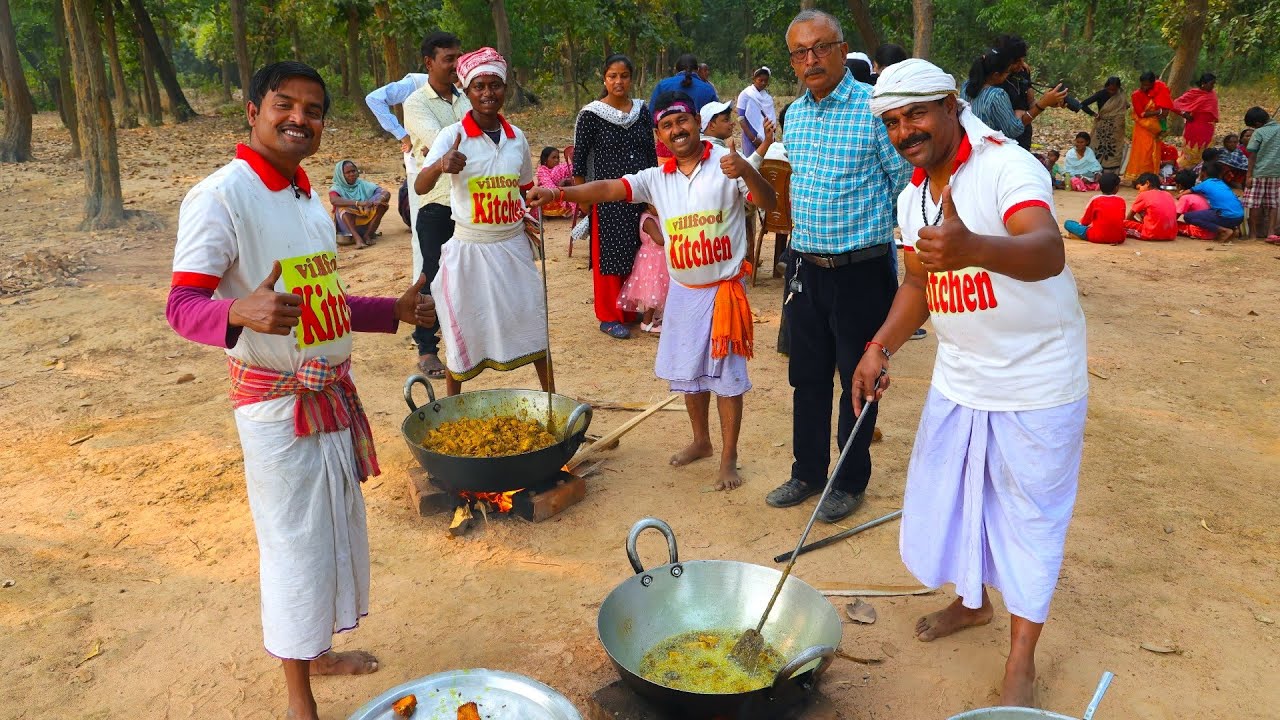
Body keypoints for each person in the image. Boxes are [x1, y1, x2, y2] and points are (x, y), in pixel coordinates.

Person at [167, 61, 436, 720]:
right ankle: (298, 700)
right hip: (275, 406)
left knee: (330, 535)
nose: (299, 119)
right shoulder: (221, 196)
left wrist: (390, 312)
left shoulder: (306, 199)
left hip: (327, 394)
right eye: (284, 105)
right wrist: (235, 313)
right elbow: (181, 306)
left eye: (312, 110)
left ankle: (316, 651)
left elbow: (323, 303)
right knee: (293, 547)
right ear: (252, 110)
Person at [864, 58, 1088, 708]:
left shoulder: (1005, 165)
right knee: (958, 496)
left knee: (1030, 518)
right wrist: (879, 346)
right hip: (961, 377)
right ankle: (972, 601)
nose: (906, 129)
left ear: (949, 104)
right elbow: (918, 283)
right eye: (894, 121)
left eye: (917, 114)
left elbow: (1048, 250)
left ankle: (1022, 658)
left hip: (1037, 380)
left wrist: (976, 249)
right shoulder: (913, 196)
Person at [529, 91, 777, 491]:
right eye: (667, 125)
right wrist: (559, 194)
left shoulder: (728, 165)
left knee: (727, 378)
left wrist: (748, 173)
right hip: (681, 292)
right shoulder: (656, 177)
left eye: (682, 122)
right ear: (659, 133)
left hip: (723, 292)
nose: (677, 131)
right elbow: (608, 189)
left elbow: (770, 200)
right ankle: (701, 441)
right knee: (688, 372)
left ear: (696, 121)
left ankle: (729, 457)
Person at [764, 9, 909, 523]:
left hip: (861, 271)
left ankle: (849, 481)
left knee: (858, 376)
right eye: (800, 52)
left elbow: (904, 182)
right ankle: (807, 472)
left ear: (842, 49)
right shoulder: (795, 116)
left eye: (820, 47)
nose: (811, 59)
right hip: (805, 267)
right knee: (806, 375)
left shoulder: (874, 109)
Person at [414, 47, 552, 395]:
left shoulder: (516, 137)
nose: (488, 93)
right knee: (463, 328)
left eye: (495, 85)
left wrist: (532, 200)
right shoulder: (452, 135)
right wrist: (440, 165)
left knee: (532, 321)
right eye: (479, 86)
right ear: (467, 90)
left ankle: (552, 401)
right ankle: (451, 409)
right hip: (471, 248)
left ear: (505, 88)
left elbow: (523, 186)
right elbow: (419, 185)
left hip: (513, 246)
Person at [574, 54, 659, 339]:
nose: (618, 81)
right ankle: (609, 315)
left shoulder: (641, 111)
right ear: (604, 78)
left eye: (624, 76)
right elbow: (580, 162)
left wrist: (653, 193)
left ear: (631, 78)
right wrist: (585, 204)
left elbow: (650, 151)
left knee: (637, 251)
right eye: (612, 76)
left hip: (638, 194)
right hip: (607, 197)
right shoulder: (591, 115)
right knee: (610, 255)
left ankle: (632, 308)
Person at [402, 31, 469, 380]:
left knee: (468, 269)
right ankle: (427, 346)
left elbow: (472, 138)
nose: (456, 64)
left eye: (459, 57)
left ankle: (465, 341)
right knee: (432, 272)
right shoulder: (415, 104)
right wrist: (453, 146)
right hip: (436, 200)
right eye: (448, 58)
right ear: (429, 63)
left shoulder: (467, 96)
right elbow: (441, 144)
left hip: (470, 200)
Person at [962, 47, 1065, 145]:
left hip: (970, 145)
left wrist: (1047, 100)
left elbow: (1031, 101)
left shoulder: (966, 86)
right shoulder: (997, 95)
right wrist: (1042, 104)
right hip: (990, 150)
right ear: (996, 75)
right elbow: (1013, 130)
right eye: (1008, 71)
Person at [616, 206, 668, 333]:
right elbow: (660, 240)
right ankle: (646, 322)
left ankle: (654, 318)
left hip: (658, 258)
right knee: (653, 293)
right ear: (648, 205)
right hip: (653, 260)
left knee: (659, 291)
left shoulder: (655, 217)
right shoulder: (648, 220)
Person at [1123, 71, 1175, 184]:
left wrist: (1161, 113)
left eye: (1147, 85)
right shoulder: (1136, 94)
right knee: (1142, 153)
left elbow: (1165, 105)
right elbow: (1141, 113)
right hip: (1143, 128)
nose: (1144, 87)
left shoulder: (1156, 92)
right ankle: (1137, 178)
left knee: (1154, 152)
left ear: (1153, 84)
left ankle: (1151, 178)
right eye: (1143, 84)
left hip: (1155, 128)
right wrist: (1158, 111)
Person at [329, 160, 390, 249]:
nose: (352, 174)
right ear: (341, 175)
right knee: (342, 207)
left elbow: (386, 193)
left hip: (366, 225)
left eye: (353, 171)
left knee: (382, 203)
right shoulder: (336, 188)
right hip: (347, 228)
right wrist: (359, 203)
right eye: (348, 172)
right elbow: (334, 200)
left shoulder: (362, 184)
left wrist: (378, 201)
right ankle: (358, 239)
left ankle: (368, 235)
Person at [1244, 106, 1280, 242]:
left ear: (1257, 123)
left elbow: (1252, 155)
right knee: (1272, 203)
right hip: (1276, 173)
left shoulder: (1259, 132)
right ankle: (1270, 233)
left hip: (1259, 172)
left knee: (1254, 204)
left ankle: (1253, 234)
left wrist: (1248, 176)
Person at [1185, 160, 1245, 241]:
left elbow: (1188, 191)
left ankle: (1223, 230)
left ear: (1203, 173)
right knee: (1214, 210)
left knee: (1188, 217)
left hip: (1226, 217)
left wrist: (1177, 196)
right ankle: (1234, 230)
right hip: (1239, 217)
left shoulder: (1205, 183)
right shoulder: (1222, 183)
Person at [1079, 77, 1129, 173]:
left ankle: (1112, 171)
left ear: (1118, 88)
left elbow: (1125, 106)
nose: (1111, 92)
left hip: (1116, 127)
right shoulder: (1101, 94)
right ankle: (1095, 169)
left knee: (1114, 148)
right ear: (1106, 87)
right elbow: (1083, 104)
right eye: (1109, 89)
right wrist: (1093, 114)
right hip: (1101, 125)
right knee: (1097, 146)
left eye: (1114, 90)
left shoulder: (1121, 96)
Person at [1064, 171, 1125, 244]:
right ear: (1116, 187)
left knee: (1068, 223)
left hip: (1096, 237)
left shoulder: (1096, 200)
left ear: (1099, 186)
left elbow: (1085, 222)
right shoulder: (1121, 201)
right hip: (1119, 238)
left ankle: (1078, 236)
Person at [1173, 73, 1219, 168]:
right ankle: (1184, 173)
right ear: (1203, 84)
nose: (1213, 86)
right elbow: (1175, 104)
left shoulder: (1212, 94)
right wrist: (1184, 114)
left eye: (1214, 84)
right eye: (1211, 84)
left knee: (1206, 153)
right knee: (1191, 155)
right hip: (1195, 128)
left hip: (1208, 129)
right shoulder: (1193, 93)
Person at [1124, 172, 1177, 240]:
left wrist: (1131, 222)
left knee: (1121, 224)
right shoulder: (1168, 194)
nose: (1139, 192)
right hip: (1171, 234)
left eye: (1139, 188)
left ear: (1147, 183)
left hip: (1151, 233)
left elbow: (1130, 216)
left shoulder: (1144, 195)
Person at [737, 67, 776, 157]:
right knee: (751, 163)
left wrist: (770, 138)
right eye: (760, 80)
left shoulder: (767, 98)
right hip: (750, 136)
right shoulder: (745, 94)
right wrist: (754, 139)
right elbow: (741, 118)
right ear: (754, 79)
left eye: (765, 81)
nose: (763, 83)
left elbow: (771, 118)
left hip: (766, 137)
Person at [1173, 169, 1216, 239]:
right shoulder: (1200, 193)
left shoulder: (1185, 198)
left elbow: (1175, 217)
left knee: (1174, 225)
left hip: (1202, 232)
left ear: (1179, 186)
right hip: (1212, 230)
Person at [535, 146, 577, 218]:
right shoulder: (542, 171)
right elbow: (550, 188)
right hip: (551, 196)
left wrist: (567, 181)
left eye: (558, 158)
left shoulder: (562, 168)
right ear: (545, 159)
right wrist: (560, 185)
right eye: (553, 158)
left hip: (561, 193)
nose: (557, 160)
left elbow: (573, 175)